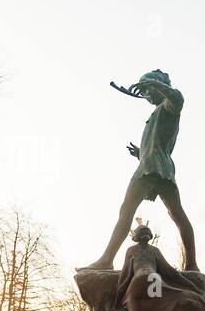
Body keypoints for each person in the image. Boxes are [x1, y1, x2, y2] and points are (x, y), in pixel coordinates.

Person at [85, 70, 198, 271]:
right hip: (160, 167)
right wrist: (140, 152)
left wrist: (149, 81)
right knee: (177, 214)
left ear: (159, 87)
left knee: (127, 210)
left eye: (148, 91)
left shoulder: (170, 105)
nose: (146, 96)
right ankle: (192, 265)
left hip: (150, 169)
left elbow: (177, 97)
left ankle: (107, 259)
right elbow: (160, 143)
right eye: (144, 92)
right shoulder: (159, 112)